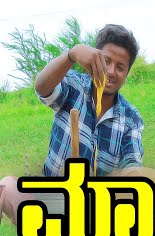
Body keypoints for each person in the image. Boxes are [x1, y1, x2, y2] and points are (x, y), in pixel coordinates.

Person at [0, 24, 144, 223]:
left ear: (126, 74)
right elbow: (42, 87)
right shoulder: (73, 85)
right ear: (94, 59)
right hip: (51, 199)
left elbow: (133, 164)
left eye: (120, 67)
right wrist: (71, 54)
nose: (111, 72)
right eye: (106, 61)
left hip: (96, 211)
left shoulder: (131, 118)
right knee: (7, 186)